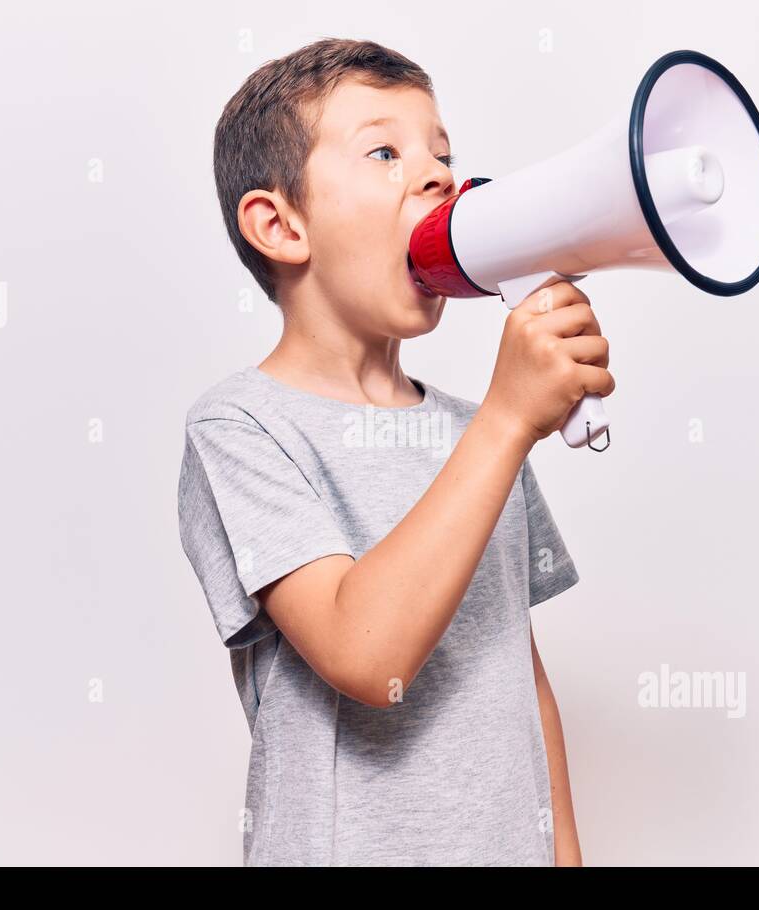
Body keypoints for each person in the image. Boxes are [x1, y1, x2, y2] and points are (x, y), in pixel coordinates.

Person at [178, 37, 613, 865]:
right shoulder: (239, 427)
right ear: (281, 224)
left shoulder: (478, 430)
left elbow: (522, 680)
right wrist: (508, 419)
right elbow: (365, 653)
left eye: (443, 154)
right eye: (386, 151)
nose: (439, 175)